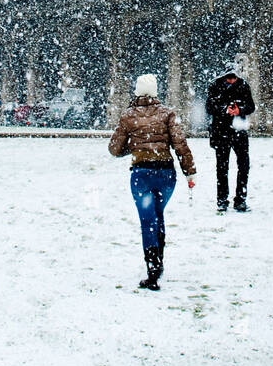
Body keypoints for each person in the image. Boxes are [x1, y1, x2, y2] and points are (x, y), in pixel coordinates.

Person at [109, 74, 197, 291]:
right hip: (166, 174)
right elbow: (180, 145)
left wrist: (136, 145)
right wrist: (190, 172)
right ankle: (159, 260)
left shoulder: (128, 116)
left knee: (147, 219)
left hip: (142, 173)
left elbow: (114, 149)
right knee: (158, 215)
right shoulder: (168, 114)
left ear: (137, 91)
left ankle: (153, 268)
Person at [205, 69, 255, 213]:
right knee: (222, 167)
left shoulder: (243, 85)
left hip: (238, 130)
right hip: (221, 131)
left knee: (243, 165)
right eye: (229, 78)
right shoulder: (215, 86)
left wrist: (240, 110)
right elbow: (209, 107)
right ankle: (222, 200)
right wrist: (225, 110)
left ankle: (240, 199)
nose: (232, 81)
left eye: (234, 78)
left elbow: (251, 106)